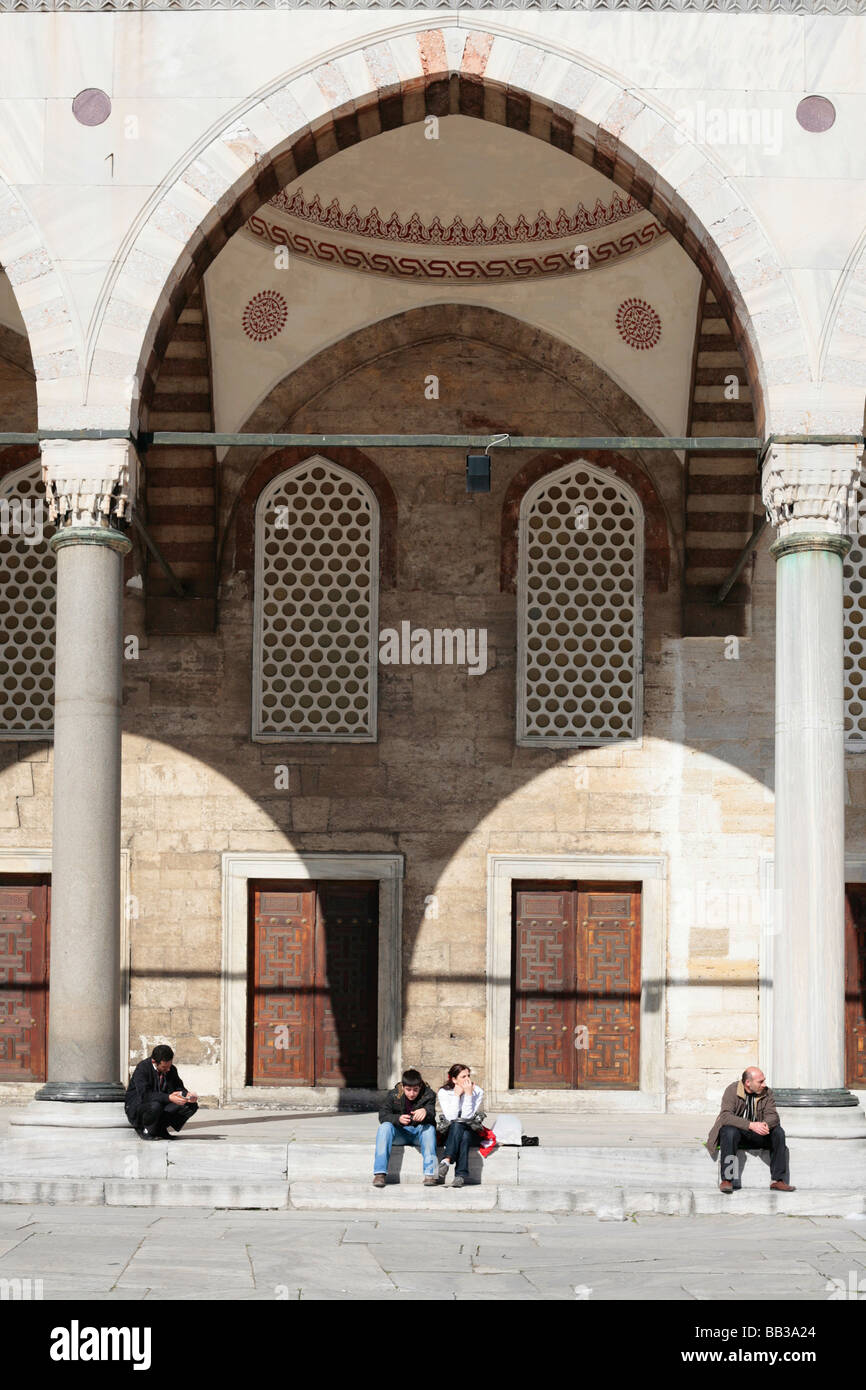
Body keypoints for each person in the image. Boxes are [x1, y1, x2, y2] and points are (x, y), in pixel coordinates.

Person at [706, 1066, 795, 1193]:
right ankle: (727, 1180)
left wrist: (764, 1124)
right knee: (728, 1131)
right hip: (738, 1135)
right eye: (760, 1081)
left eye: (764, 1080)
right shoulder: (732, 1090)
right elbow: (725, 1116)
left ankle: (778, 1180)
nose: (764, 1084)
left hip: (759, 1134)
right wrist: (751, 1125)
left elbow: (773, 1116)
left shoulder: (767, 1092)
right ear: (748, 1083)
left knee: (778, 1132)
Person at [373, 1068, 438, 1187]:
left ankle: (431, 1174)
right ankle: (380, 1174)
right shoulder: (393, 1095)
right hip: (400, 1133)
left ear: (420, 1086)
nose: (412, 1093)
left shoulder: (429, 1094)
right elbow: (383, 1116)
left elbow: (432, 1115)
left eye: (415, 1090)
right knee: (384, 1127)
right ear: (403, 1087)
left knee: (429, 1129)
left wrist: (426, 1112)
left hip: (420, 1134)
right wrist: (397, 1119)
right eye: (408, 1090)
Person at [124, 1043, 199, 1141]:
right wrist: (169, 1097)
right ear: (154, 1061)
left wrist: (187, 1096)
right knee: (155, 1105)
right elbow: (145, 1095)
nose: (168, 1069)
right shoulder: (142, 1068)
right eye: (164, 1067)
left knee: (190, 1106)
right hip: (140, 1107)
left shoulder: (171, 1069)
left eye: (169, 1066)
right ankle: (145, 1129)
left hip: (161, 1104)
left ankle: (160, 1128)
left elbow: (179, 1088)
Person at [436, 1063, 485, 1188]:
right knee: (463, 1135)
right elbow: (451, 1117)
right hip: (452, 1132)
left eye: (468, 1075)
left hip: (472, 1129)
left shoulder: (477, 1091)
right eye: (463, 1077)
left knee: (463, 1128)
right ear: (454, 1079)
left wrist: (468, 1094)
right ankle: (460, 1176)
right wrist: (457, 1096)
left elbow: (468, 1117)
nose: (467, 1079)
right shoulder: (444, 1092)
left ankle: (446, 1160)